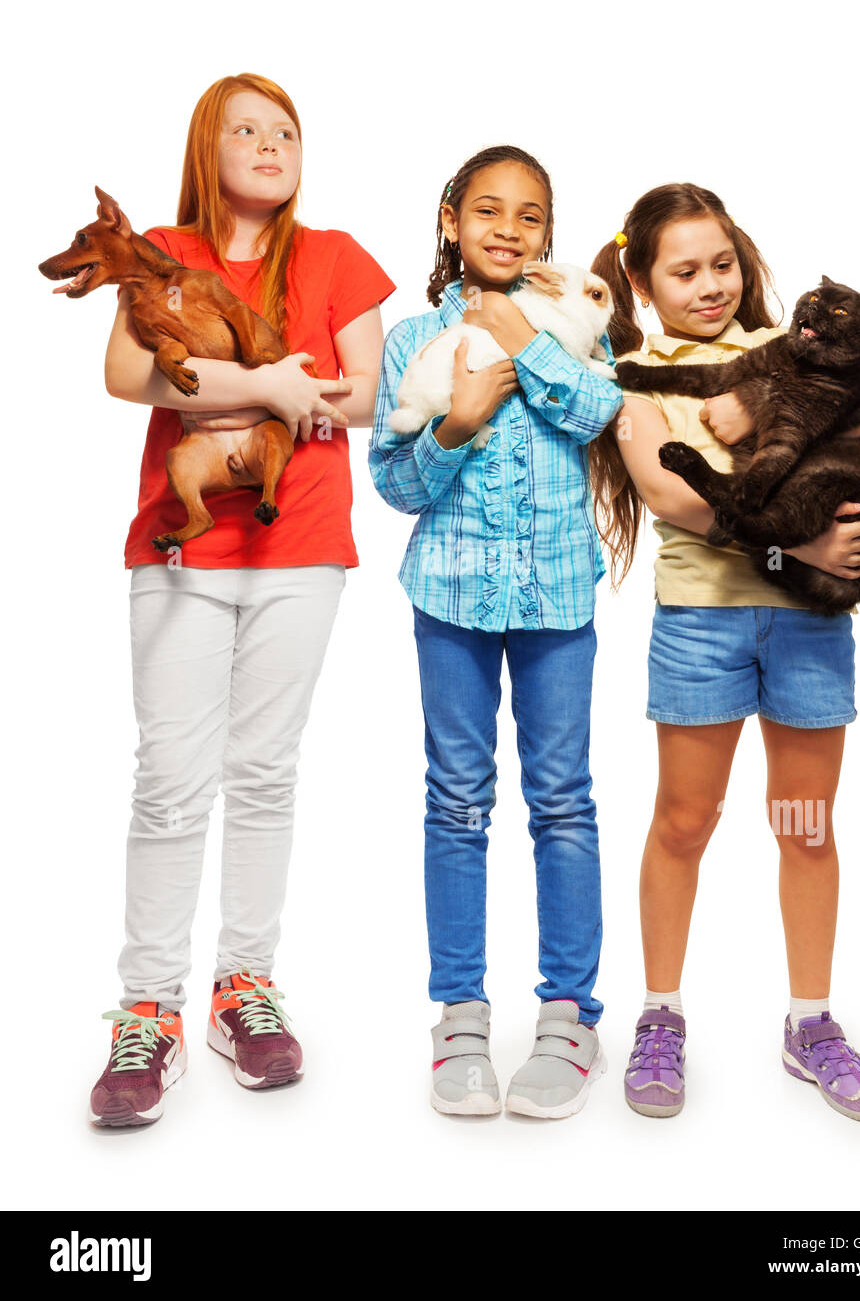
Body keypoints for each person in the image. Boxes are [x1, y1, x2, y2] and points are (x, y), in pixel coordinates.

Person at [89, 73, 395, 1127]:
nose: (270, 144)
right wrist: (270, 385)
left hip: (299, 543)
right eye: (245, 130)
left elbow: (368, 394)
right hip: (177, 550)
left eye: (286, 130)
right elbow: (130, 373)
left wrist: (256, 390)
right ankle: (146, 1006)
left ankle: (244, 988)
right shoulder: (163, 251)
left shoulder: (335, 256)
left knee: (263, 772)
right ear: (204, 150)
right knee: (170, 777)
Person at [590, 182, 860, 1123]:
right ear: (642, 281)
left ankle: (811, 1025)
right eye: (683, 272)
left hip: (807, 626)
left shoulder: (781, 359)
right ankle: (660, 1015)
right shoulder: (637, 381)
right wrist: (792, 546)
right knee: (685, 821)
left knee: (804, 824)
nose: (709, 285)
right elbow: (676, 500)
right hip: (702, 625)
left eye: (721, 263)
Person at [368, 145, 623, 1119]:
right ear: (450, 222)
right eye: (487, 209)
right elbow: (391, 485)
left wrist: (523, 341)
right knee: (455, 800)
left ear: (545, 236)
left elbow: (598, 411)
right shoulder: (409, 338)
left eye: (527, 215)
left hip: (557, 598)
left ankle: (566, 1014)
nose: (507, 228)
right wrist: (454, 423)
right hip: (450, 599)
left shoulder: (567, 324)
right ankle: (461, 1018)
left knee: (562, 799)